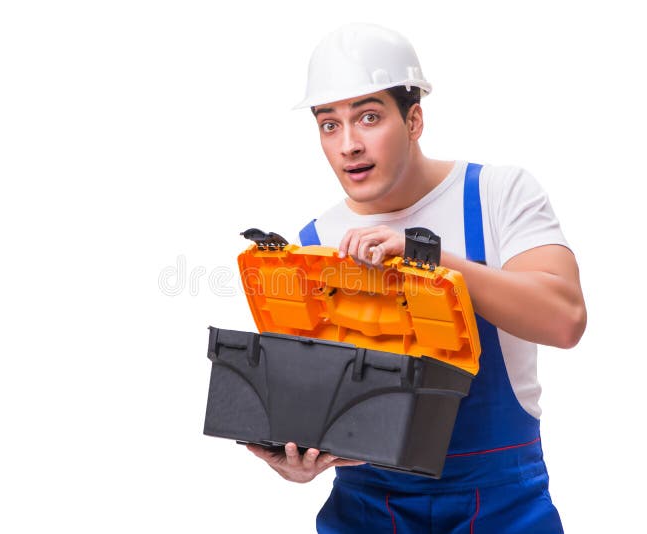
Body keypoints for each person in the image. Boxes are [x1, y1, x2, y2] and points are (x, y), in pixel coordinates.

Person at [246, 23, 587, 533]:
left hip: (499, 504)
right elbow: (320, 401)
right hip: (366, 507)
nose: (349, 145)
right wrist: (299, 454)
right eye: (329, 124)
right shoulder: (315, 239)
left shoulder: (496, 194)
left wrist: (430, 260)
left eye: (368, 117)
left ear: (414, 120)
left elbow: (565, 321)